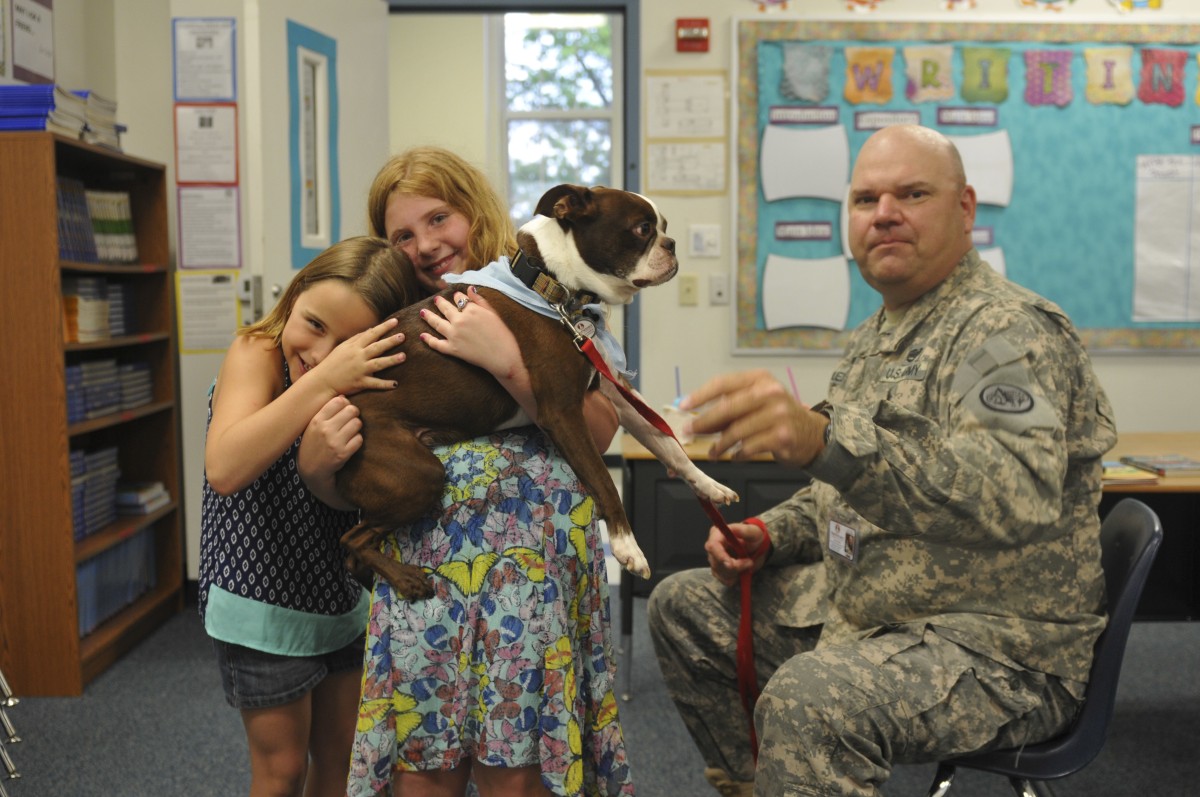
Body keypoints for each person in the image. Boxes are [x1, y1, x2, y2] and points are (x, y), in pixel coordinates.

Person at [647, 125, 1118, 797]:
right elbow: (846, 493)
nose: (885, 213)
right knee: (683, 604)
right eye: (866, 199)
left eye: (912, 194)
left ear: (965, 209)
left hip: (996, 646)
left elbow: (1013, 493)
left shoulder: (1003, 332)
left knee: (812, 699)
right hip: (876, 607)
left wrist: (824, 441)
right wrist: (770, 533)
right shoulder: (877, 335)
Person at [297, 146, 635, 797]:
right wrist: (316, 468)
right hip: (427, 575)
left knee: (519, 773)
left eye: (438, 218)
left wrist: (507, 362)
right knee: (425, 772)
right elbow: (355, 479)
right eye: (402, 235)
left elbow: (596, 430)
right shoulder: (384, 318)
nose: (424, 244)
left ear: (474, 209)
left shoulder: (550, 295)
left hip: (531, 578)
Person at [199, 236, 421, 797]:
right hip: (260, 607)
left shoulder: (371, 381)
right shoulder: (257, 352)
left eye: (347, 344)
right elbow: (225, 468)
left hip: (339, 603)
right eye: (315, 325)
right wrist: (327, 379)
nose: (323, 353)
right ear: (294, 295)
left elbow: (351, 499)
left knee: (343, 760)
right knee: (281, 771)